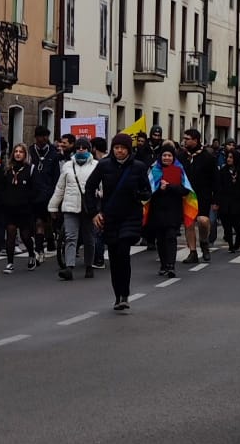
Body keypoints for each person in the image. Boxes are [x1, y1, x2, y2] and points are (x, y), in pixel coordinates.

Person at [85, 133, 151, 312]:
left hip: (130, 216)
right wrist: (93, 213)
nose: (119, 151)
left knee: (123, 251)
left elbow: (147, 190)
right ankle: (117, 295)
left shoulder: (138, 167)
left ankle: (125, 294)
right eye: (116, 147)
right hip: (110, 216)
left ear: (129, 149)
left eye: (122, 148)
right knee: (114, 257)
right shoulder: (104, 165)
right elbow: (89, 187)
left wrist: (139, 194)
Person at [49, 136, 98, 280]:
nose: (81, 150)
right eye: (78, 148)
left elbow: (103, 186)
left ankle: (89, 266)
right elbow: (60, 187)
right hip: (70, 206)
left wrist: (99, 194)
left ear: (89, 149)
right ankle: (69, 267)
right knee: (70, 237)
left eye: (84, 148)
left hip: (89, 207)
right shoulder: (68, 166)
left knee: (89, 238)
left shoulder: (96, 165)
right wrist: (53, 206)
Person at [0, 143, 42, 271]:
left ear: (25, 154)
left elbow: (36, 188)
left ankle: (31, 253)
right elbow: (2, 186)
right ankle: (10, 262)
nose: (18, 154)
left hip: (25, 209)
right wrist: (3, 199)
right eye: (16, 151)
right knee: (10, 233)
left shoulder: (30, 169)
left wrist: (28, 200)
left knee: (25, 236)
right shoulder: (8, 169)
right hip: (10, 208)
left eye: (21, 152)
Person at [147, 145, 186, 278]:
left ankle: (171, 266)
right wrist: (160, 189)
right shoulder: (154, 171)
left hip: (173, 210)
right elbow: (148, 191)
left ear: (173, 157)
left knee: (171, 237)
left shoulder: (179, 170)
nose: (167, 158)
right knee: (160, 239)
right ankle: (163, 265)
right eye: (164, 155)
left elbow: (185, 190)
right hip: (158, 210)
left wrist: (170, 187)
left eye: (169, 155)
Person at [179, 128, 216, 265]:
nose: (184, 141)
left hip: (203, 194)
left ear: (195, 140)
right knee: (189, 224)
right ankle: (193, 252)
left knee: (203, 221)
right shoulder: (181, 156)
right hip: (187, 194)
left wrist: (215, 199)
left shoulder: (208, 157)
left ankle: (204, 242)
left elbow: (215, 179)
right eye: (184, 138)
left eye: (187, 139)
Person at [28, 126, 62, 258]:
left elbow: (56, 175)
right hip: (34, 193)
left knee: (47, 220)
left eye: (47, 136)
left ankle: (49, 238)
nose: (45, 139)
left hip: (48, 192)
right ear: (36, 137)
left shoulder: (53, 153)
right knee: (38, 221)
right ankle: (40, 248)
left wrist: (55, 192)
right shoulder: (30, 151)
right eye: (42, 136)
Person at [217, 145, 240, 252]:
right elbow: (219, 186)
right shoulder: (223, 171)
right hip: (226, 202)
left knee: (238, 225)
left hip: (239, 202)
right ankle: (230, 244)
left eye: (231, 157)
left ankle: (238, 240)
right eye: (228, 157)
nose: (228, 159)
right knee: (227, 224)